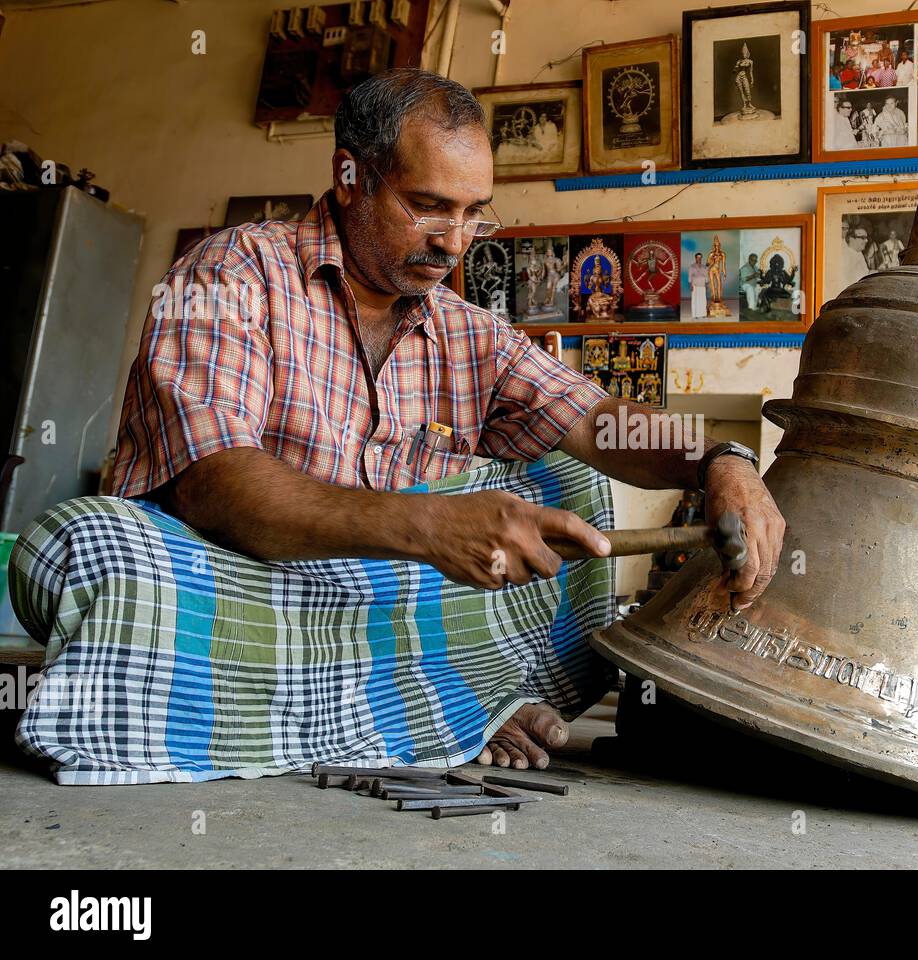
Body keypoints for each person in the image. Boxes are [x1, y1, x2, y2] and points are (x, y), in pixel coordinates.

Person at [9, 69, 786, 784]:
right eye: (428, 206)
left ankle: (398, 710)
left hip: (379, 613)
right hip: (243, 593)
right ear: (349, 176)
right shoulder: (232, 275)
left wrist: (717, 459)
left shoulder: (467, 329)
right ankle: (445, 710)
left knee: (571, 481)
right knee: (86, 548)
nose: (453, 242)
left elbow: (595, 421)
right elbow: (215, 484)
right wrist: (425, 526)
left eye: (474, 214)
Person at [687, 251, 709, 318]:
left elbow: (706, 276)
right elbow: (690, 276)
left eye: (700, 257)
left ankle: (703, 314)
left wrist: (707, 284)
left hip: (702, 285)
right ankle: (695, 315)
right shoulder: (692, 266)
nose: (699, 259)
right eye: (698, 257)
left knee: (703, 300)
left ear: (701, 258)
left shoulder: (704, 267)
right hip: (695, 285)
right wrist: (691, 285)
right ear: (695, 258)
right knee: (695, 300)